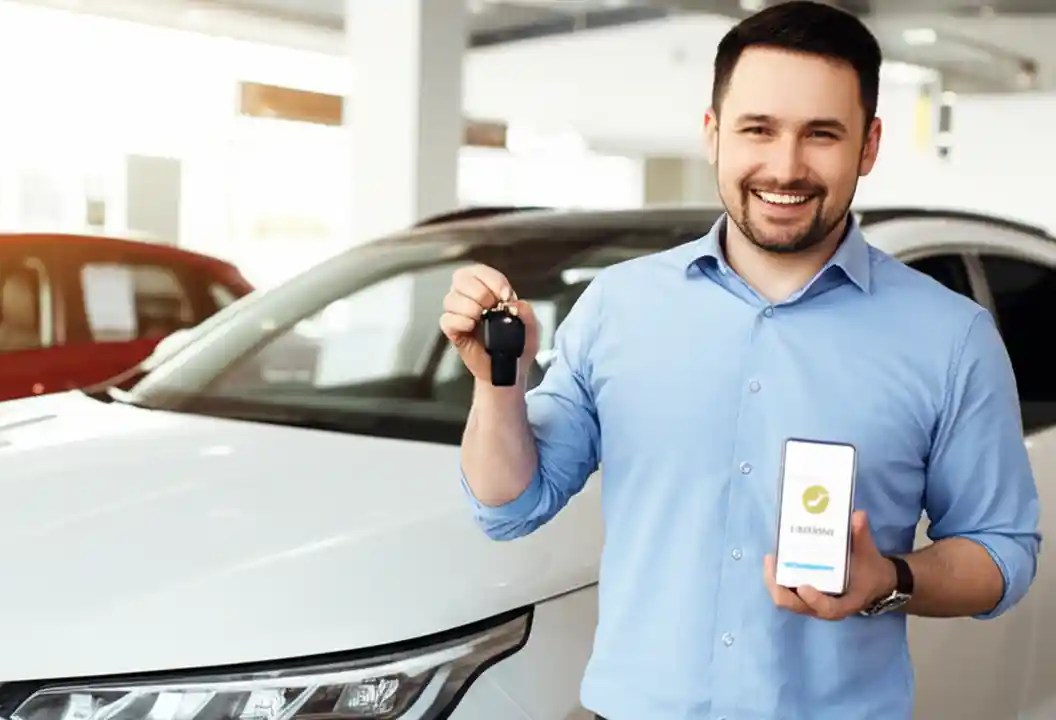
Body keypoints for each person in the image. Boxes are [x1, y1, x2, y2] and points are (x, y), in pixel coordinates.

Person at [440, 2, 1042, 719]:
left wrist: (889, 579)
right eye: (759, 129)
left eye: (821, 134)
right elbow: (510, 506)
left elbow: (1002, 552)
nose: (786, 167)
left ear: (869, 145)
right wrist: (498, 383)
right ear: (713, 133)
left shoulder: (950, 337)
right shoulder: (618, 306)